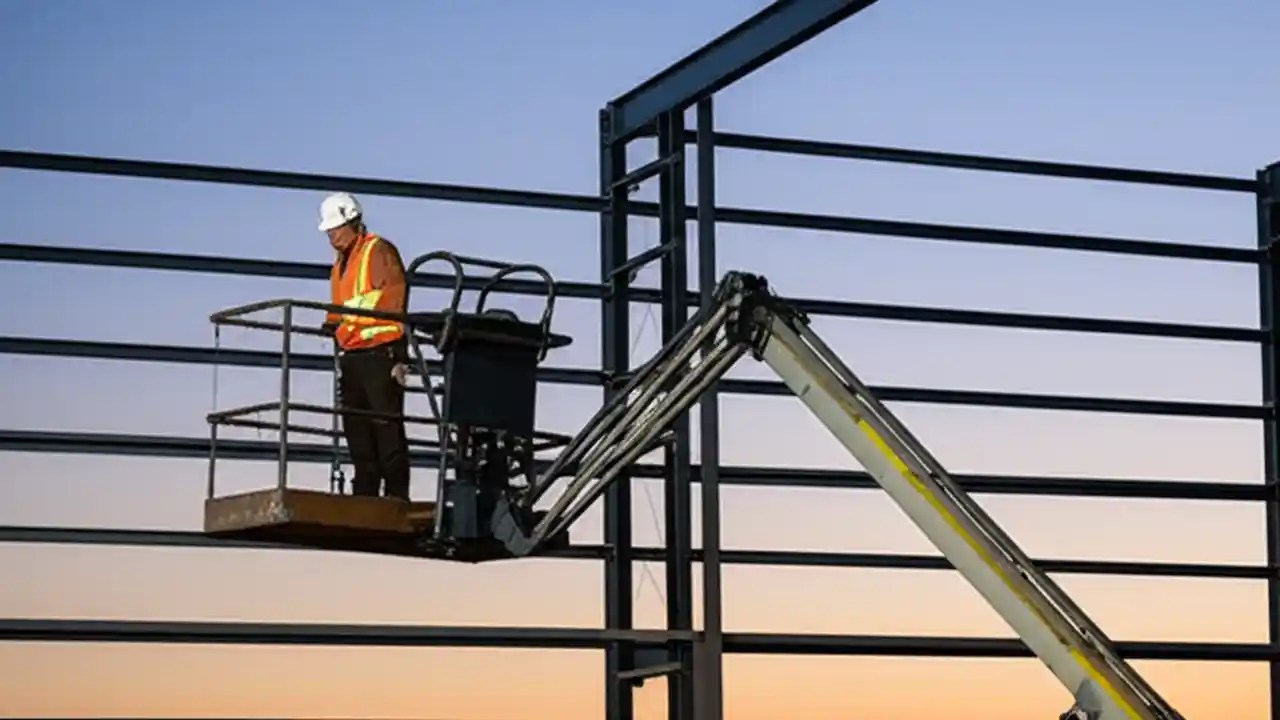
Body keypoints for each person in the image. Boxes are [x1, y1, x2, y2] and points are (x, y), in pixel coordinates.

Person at [318, 192, 411, 501]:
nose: (331, 235)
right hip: (353, 355)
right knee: (356, 429)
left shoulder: (377, 250)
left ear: (353, 222)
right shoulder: (339, 265)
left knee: (386, 429)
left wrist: (345, 316)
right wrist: (333, 322)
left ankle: (395, 496)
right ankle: (365, 494)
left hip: (381, 352)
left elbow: (391, 298)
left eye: (336, 228)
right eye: (329, 230)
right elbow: (340, 306)